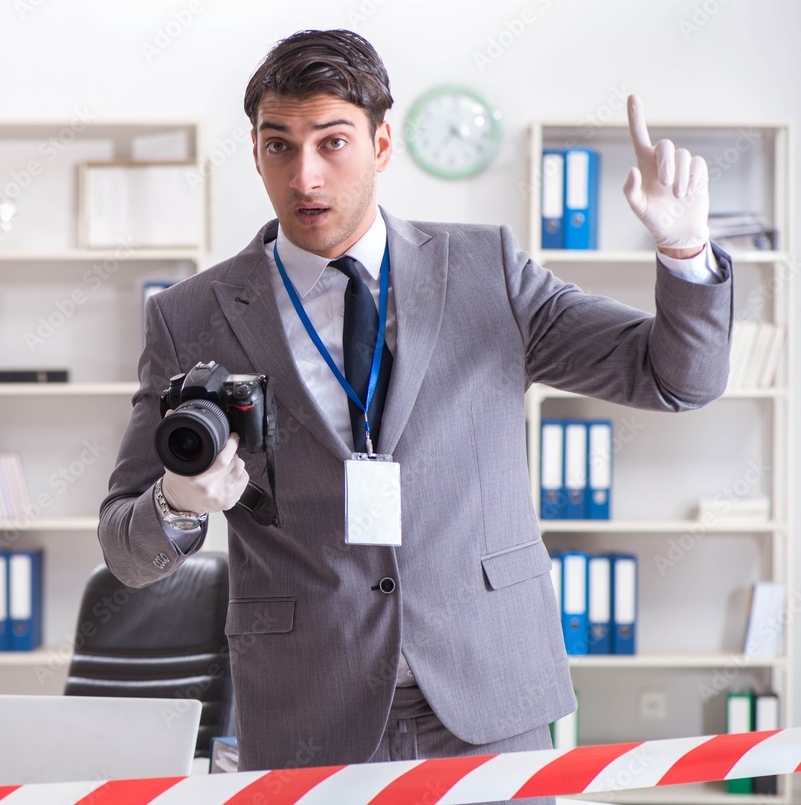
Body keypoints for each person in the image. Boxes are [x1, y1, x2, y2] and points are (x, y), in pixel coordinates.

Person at [98, 28, 731, 780]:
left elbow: (673, 377)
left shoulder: (485, 269)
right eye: (279, 146)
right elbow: (124, 550)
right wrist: (177, 501)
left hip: (489, 693)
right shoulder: (191, 314)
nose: (305, 175)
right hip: (309, 707)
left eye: (333, 142)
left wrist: (685, 254)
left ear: (382, 142)